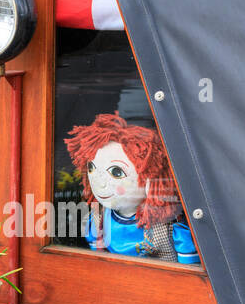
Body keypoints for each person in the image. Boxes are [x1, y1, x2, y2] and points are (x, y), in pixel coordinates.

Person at [63, 112, 199, 263]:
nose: (99, 183)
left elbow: (188, 272)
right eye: (91, 168)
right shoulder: (97, 220)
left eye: (116, 172)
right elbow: (98, 262)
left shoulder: (170, 227)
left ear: (152, 179)